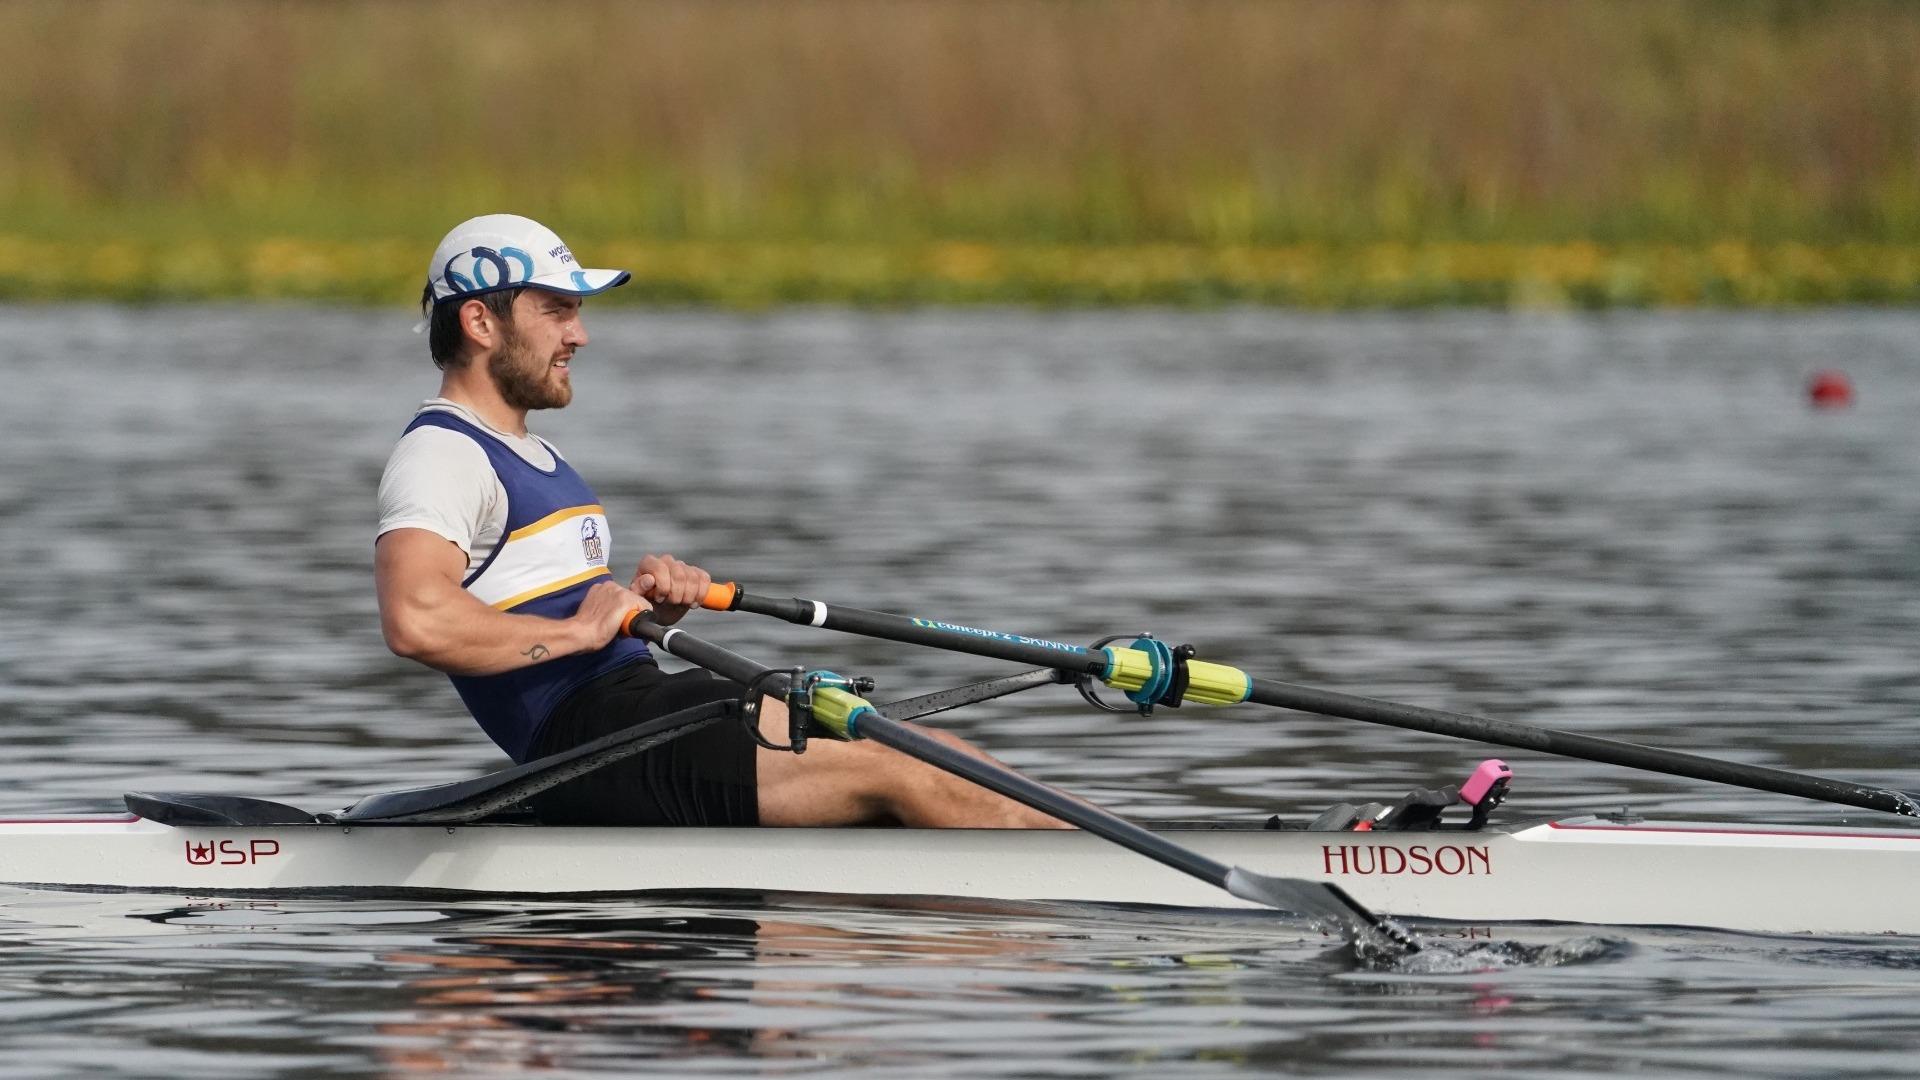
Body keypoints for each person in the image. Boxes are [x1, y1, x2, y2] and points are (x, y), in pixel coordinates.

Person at [375, 214, 1062, 830]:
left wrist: (646, 607)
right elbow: (418, 619)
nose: (579, 334)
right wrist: (580, 629)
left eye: (578, 312)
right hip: (594, 741)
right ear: (480, 322)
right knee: (904, 765)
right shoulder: (443, 451)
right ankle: (1095, 922)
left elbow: (553, 611)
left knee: (936, 757)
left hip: (637, 712)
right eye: (557, 310)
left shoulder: (535, 454)